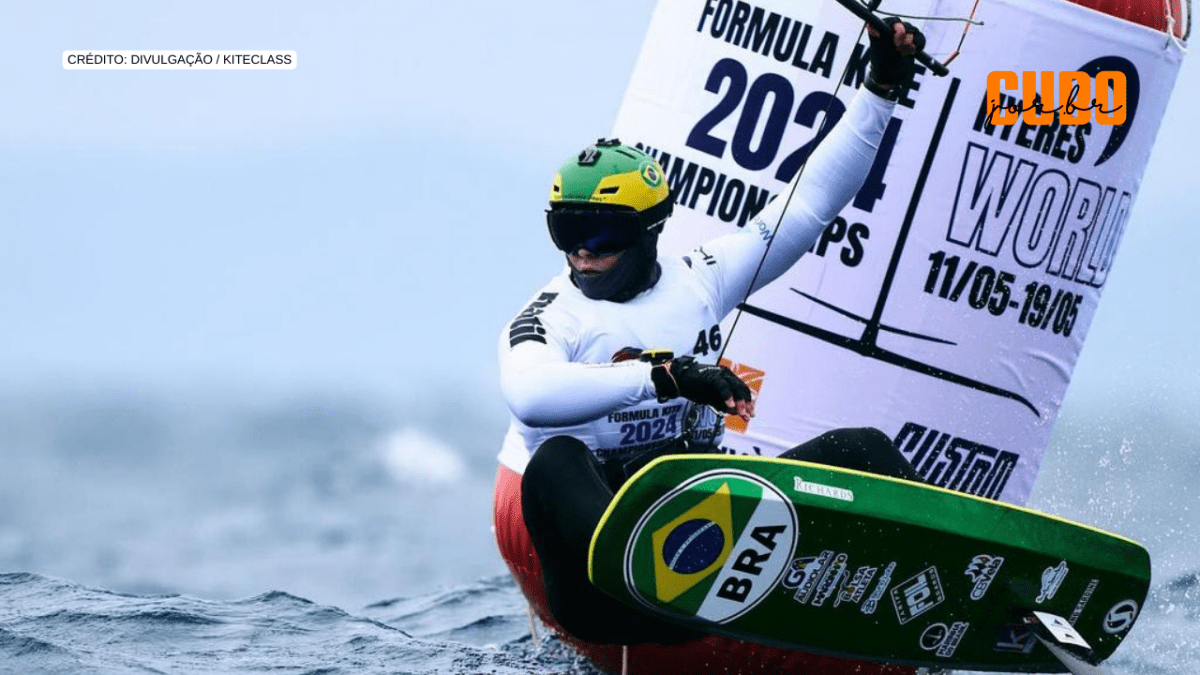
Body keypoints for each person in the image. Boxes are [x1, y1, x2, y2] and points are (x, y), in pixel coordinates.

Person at [494, 19, 927, 650]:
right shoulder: (552, 315)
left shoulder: (702, 279)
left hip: (701, 523)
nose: (582, 255)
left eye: (603, 237)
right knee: (554, 461)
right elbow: (529, 396)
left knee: (866, 450)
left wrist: (882, 87)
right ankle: (653, 591)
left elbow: (809, 208)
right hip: (598, 580)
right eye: (567, 234)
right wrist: (665, 377)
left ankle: (930, 594)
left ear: (651, 232)